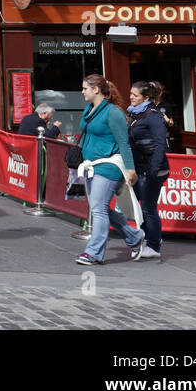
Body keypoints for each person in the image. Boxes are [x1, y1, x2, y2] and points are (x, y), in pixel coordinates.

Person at [74, 74, 145, 266]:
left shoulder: (113, 112)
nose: (82, 92)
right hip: (91, 165)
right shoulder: (89, 109)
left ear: (96, 89)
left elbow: (124, 142)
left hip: (109, 165)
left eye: (85, 88)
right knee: (100, 208)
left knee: (98, 209)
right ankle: (134, 236)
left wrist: (130, 169)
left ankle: (94, 252)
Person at [128, 81, 170, 260]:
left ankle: (153, 245)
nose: (131, 97)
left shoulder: (153, 116)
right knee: (134, 204)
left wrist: (152, 170)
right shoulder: (135, 114)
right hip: (139, 168)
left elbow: (161, 143)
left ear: (146, 98)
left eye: (135, 95)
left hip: (153, 169)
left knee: (148, 207)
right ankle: (146, 237)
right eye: (130, 93)